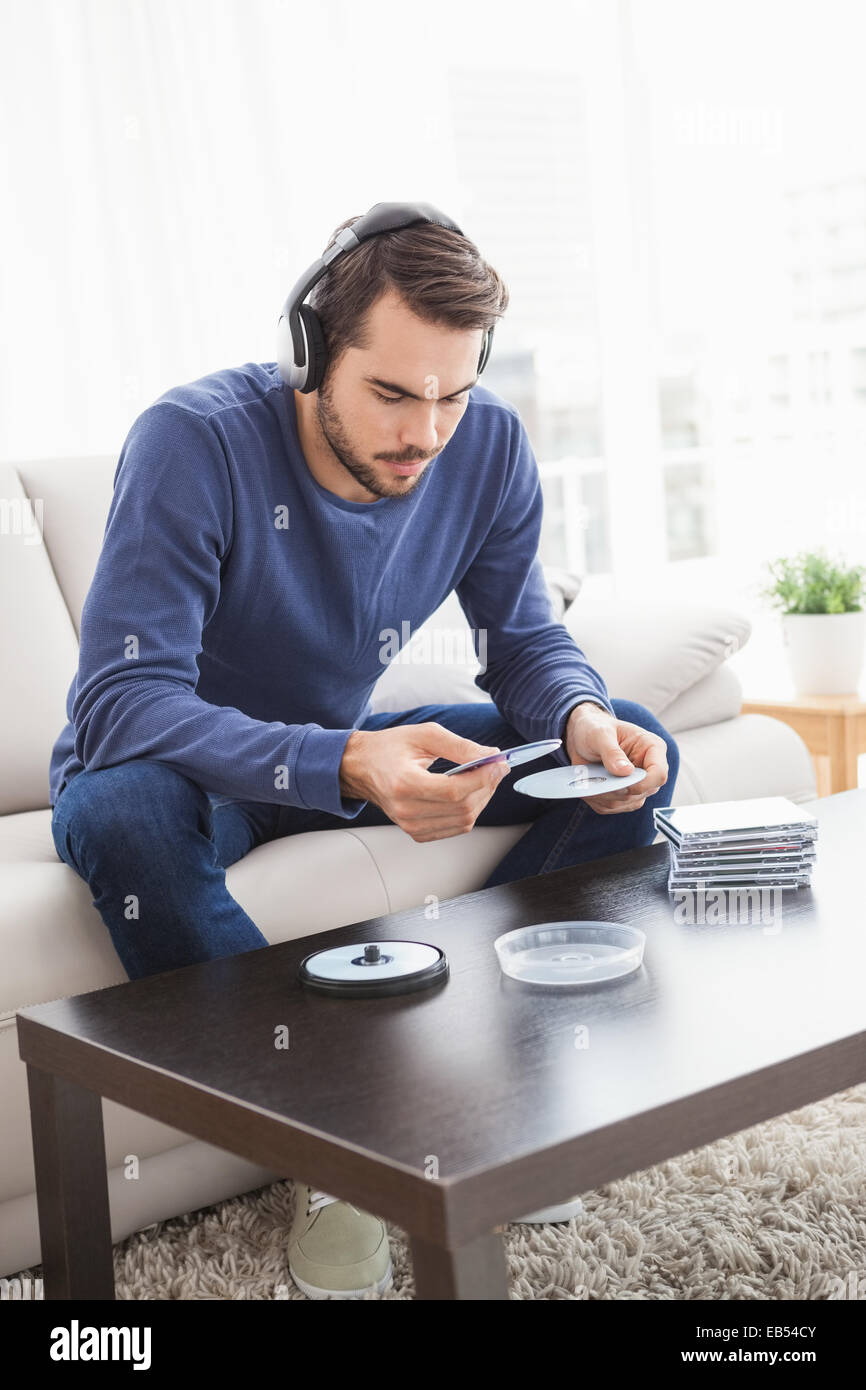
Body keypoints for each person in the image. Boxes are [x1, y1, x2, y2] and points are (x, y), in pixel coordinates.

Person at [49, 205, 679, 1299]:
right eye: (391, 393)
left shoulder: (483, 448)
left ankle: (485, 1096)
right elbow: (119, 699)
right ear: (310, 355)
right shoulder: (192, 443)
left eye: (451, 393)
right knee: (121, 817)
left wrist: (574, 714)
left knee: (630, 752)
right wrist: (338, 761)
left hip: (350, 751)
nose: (424, 433)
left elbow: (522, 640)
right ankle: (336, 1144)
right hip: (189, 770)